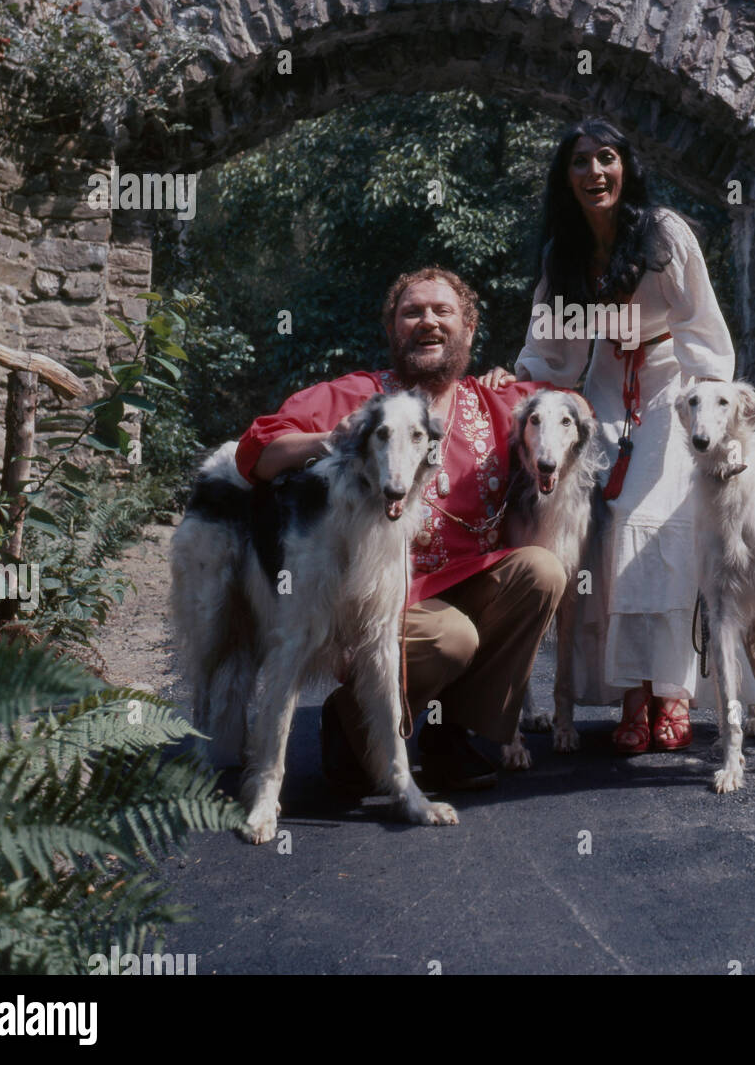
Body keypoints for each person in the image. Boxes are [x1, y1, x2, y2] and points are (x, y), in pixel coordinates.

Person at [236, 267, 564, 793]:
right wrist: (332, 439)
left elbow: (574, 411)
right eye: (412, 312)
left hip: (468, 581)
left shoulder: (496, 402)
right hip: (382, 598)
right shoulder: (358, 398)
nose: (427, 322)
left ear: (470, 329)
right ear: (392, 330)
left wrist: (519, 378)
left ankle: (450, 737)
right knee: (450, 636)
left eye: (443, 311)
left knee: (541, 571)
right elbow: (257, 453)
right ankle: (352, 725)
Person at [483, 118, 736, 754]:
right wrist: (515, 382)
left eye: (606, 159)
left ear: (625, 167)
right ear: (564, 177)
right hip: (598, 390)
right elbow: (552, 354)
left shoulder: (665, 234)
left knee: (650, 517)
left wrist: (706, 404)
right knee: (597, 527)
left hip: (666, 384)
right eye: (579, 162)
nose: (594, 172)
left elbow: (702, 327)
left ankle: (671, 692)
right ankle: (630, 691)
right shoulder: (561, 253)